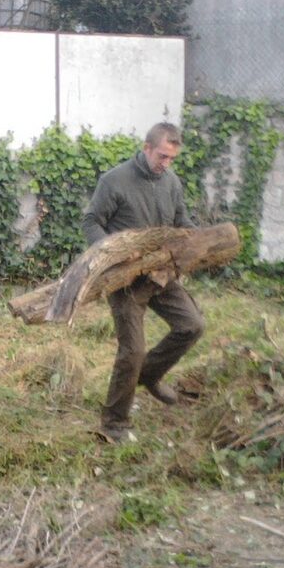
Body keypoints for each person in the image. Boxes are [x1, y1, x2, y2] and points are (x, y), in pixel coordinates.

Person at [80, 121, 204, 444]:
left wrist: (198, 240)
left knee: (192, 325)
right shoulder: (115, 180)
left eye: (172, 159)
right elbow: (91, 221)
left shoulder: (171, 182)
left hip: (160, 275)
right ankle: (113, 422)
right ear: (146, 148)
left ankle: (148, 374)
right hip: (125, 281)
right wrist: (111, 253)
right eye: (162, 156)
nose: (166, 164)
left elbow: (181, 221)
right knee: (132, 350)